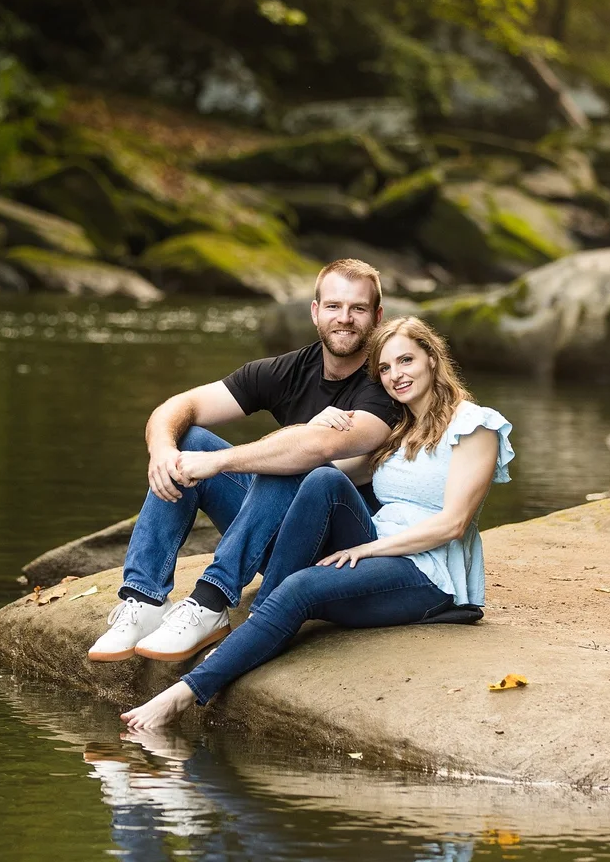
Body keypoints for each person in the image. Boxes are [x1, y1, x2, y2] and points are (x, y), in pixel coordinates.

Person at [120, 316, 514, 730]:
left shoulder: (475, 425)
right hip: (378, 546)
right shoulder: (399, 430)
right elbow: (320, 473)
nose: (396, 375)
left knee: (300, 587)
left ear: (432, 359)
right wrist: (312, 428)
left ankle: (182, 695)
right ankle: (251, 619)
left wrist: (368, 549)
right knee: (322, 479)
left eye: (406, 361)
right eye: (384, 368)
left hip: (428, 573)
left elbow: (453, 524)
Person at [88, 259, 401, 663]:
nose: (344, 318)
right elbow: (181, 405)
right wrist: (163, 450)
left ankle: (210, 601)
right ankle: (145, 599)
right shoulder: (291, 369)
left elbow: (320, 451)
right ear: (315, 312)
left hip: (340, 551)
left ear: (377, 316)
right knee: (190, 438)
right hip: (277, 541)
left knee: (294, 460)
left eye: (357, 308)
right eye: (333, 306)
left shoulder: (387, 381)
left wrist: (222, 462)